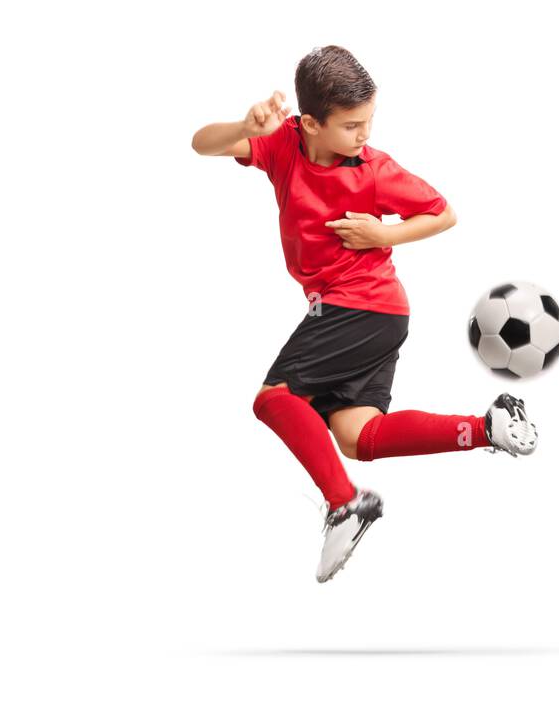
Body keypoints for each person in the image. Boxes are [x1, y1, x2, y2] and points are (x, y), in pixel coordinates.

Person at [192, 45, 538, 583]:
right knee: (359, 439)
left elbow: (442, 212)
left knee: (275, 399)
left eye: (370, 121)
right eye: (352, 125)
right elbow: (201, 145)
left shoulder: (373, 169)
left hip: (361, 305)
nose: (364, 134)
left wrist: (385, 233)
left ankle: (345, 504)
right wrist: (243, 123)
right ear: (309, 122)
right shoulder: (282, 144)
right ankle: (487, 427)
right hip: (373, 314)